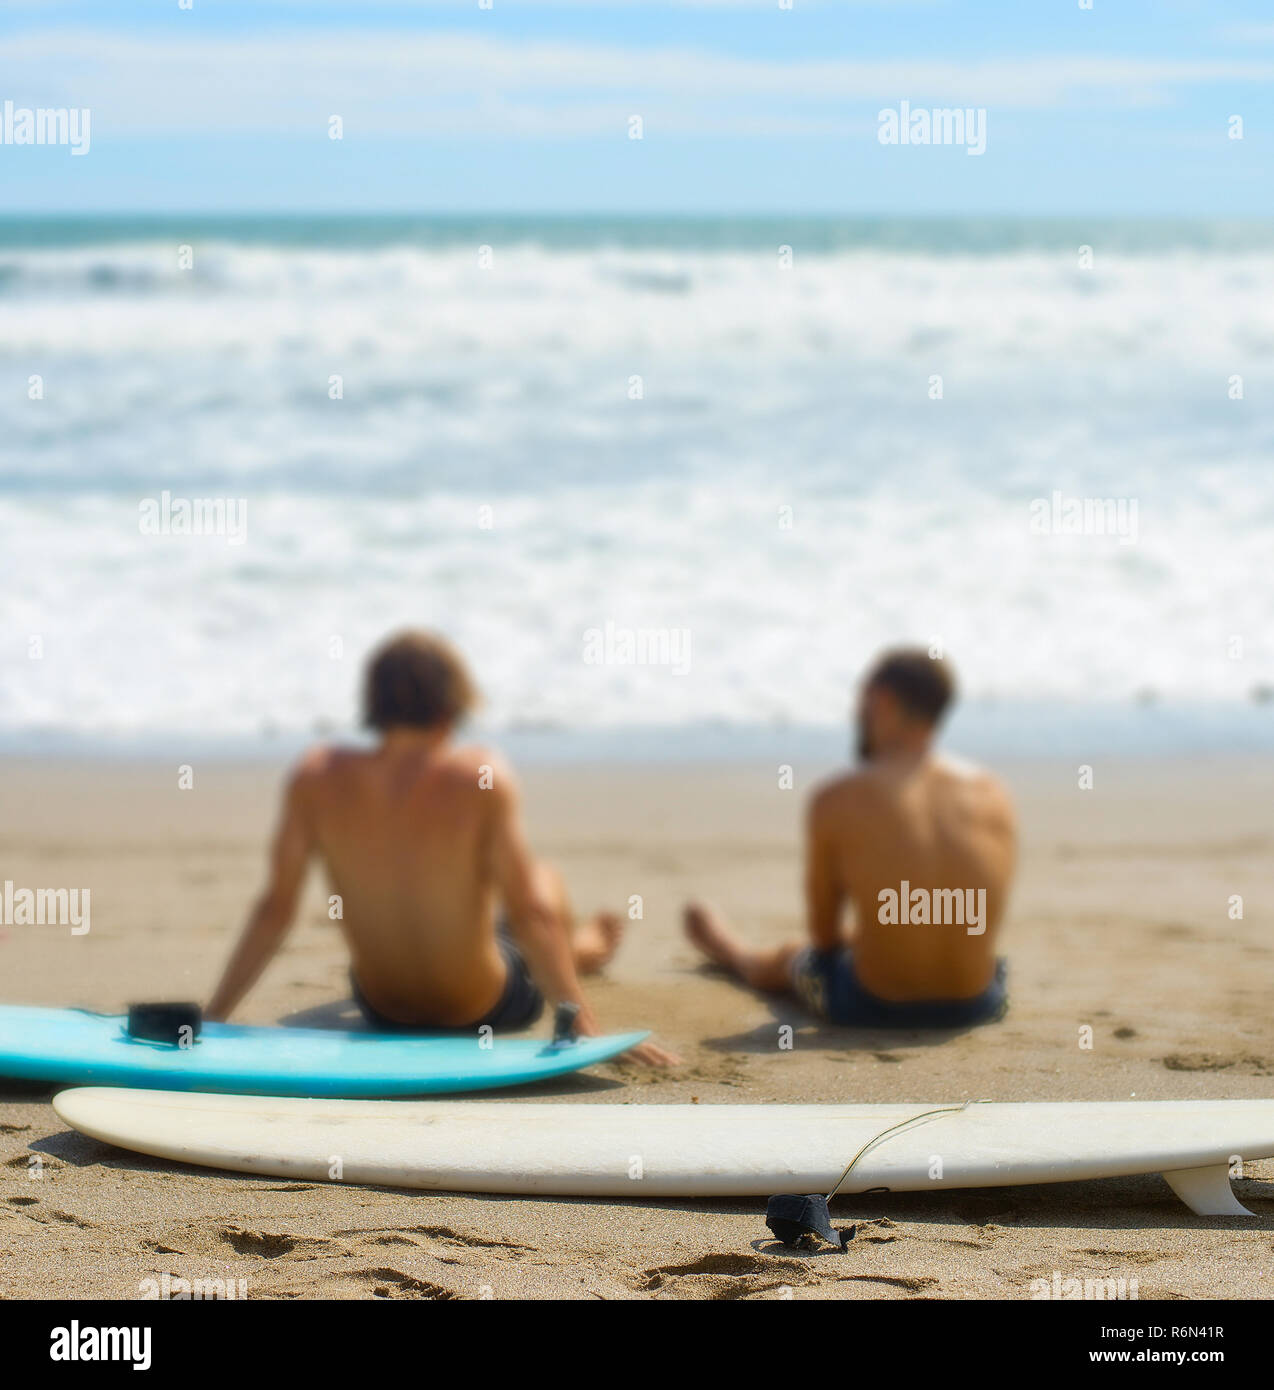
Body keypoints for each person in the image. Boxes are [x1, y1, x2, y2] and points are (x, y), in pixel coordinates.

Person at [207, 630, 677, 1065]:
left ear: (374, 706)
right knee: (541, 881)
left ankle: (564, 950)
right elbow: (533, 913)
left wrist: (213, 1021)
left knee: (480, 921)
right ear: (450, 708)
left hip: (382, 1009)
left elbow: (275, 909)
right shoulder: (479, 776)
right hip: (484, 1010)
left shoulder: (316, 776)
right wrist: (584, 1030)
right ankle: (583, 950)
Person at [685, 649, 1015, 1028]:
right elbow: (971, 916)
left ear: (882, 701)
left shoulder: (837, 799)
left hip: (873, 1004)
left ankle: (733, 951)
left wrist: (870, 934)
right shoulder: (994, 794)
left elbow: (824, 939)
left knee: (794, 957)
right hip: (977, 1001)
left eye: (861, 700)